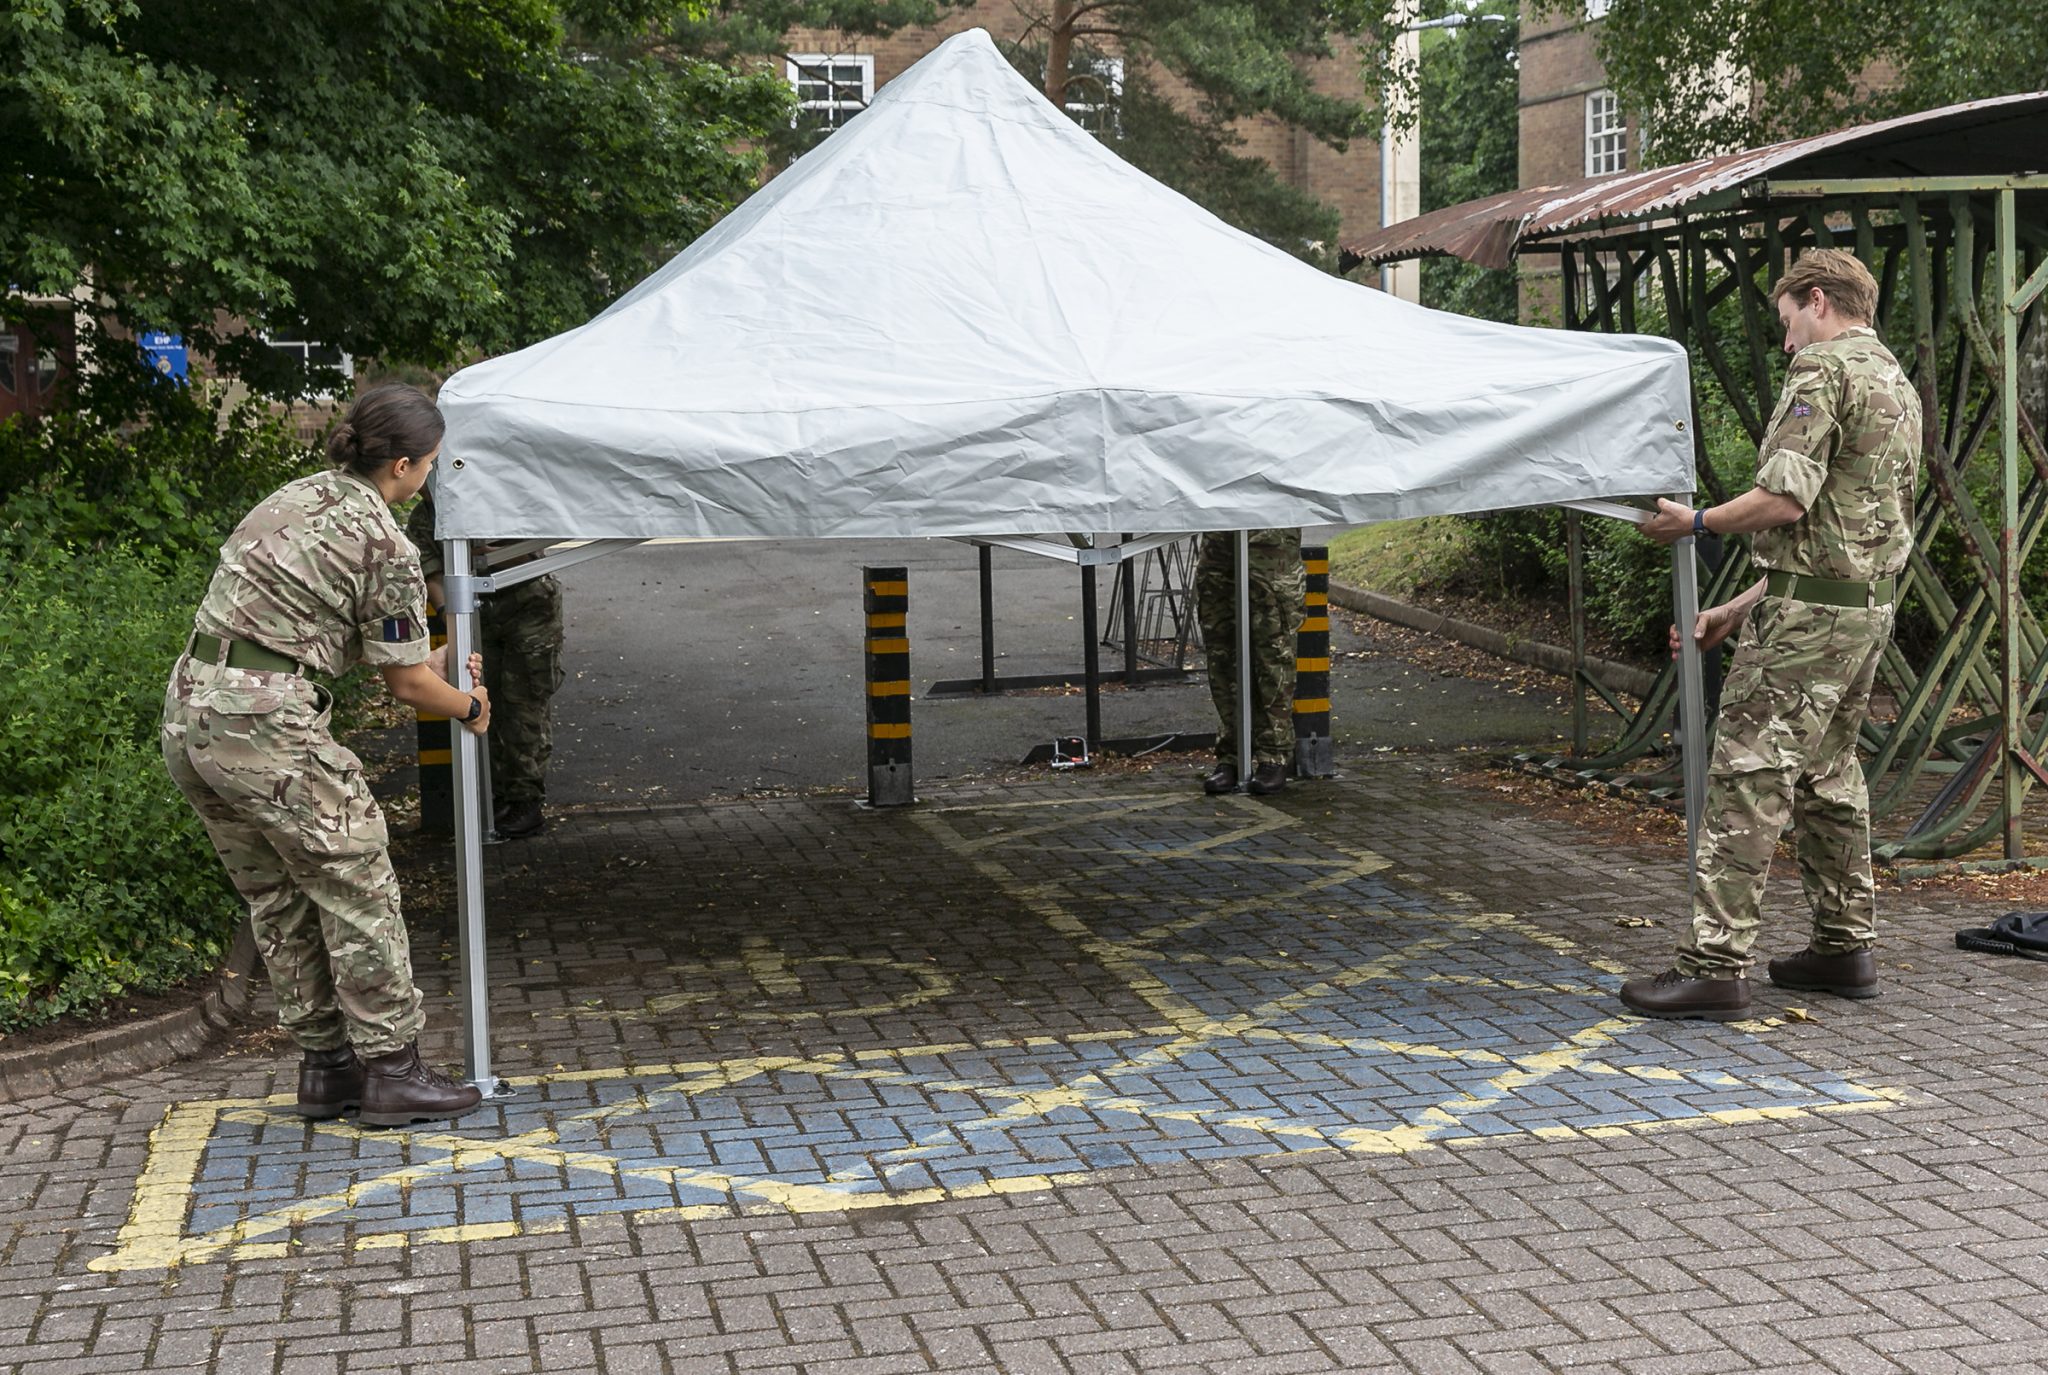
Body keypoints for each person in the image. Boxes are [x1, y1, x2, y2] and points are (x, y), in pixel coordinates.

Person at [161, 384, 493, 1125]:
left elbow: (378, 653)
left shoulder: (296, 498)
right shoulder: (386, 544)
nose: (430, 478)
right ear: (403, 465)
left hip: (193, 711)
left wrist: (446, 659)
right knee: (357, 879)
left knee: (278, 894)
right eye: (430, 465)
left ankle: (327, 1069)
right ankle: (393, 1069)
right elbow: (407, 684)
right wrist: (469, 706)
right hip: (266, 723)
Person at [1622, 248, 1921, 1020]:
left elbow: (1784, 500)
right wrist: (1739, 606)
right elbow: (1842, 538)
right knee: (1829, 775)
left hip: (1807, 624)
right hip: (1865, 610)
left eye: (1787, 322)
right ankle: (1842, 946)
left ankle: (1715, 962)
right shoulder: (1897, 383)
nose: (1786, 342)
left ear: (1817, 301)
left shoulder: (1824, 371)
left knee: (1749, 775)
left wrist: (1695, 521)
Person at [407, 493, 564, 839]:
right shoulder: (425, 516)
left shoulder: (491, 492)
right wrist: (457, 627)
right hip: (476, 612)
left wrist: (505, 551)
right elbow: (432, 573)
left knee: (524, 702)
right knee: (485, 700)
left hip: (530, 605)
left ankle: (527, 801)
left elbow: (540, 537)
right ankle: (504, 797)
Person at [1195, 529, 1306, 795]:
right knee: (1222, 652)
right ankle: (1232, 753)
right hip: (1220, 536)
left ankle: (1273, 755)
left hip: (1269, 542)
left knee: (1272, 654)